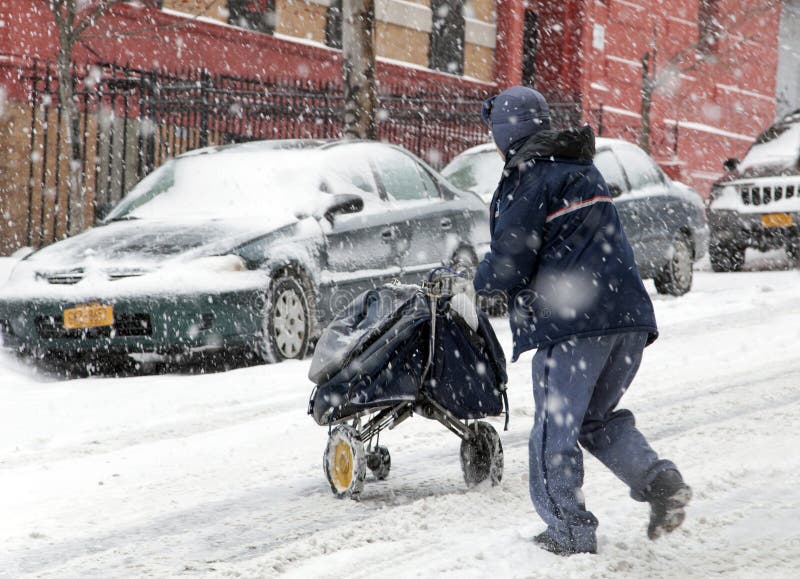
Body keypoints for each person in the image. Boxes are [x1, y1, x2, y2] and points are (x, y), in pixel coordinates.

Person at [473, 86, 691, 556]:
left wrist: (479, 280)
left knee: (556, 427)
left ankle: (568, 534)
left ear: (506, 131)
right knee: (596, 420)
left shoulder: (529, 178)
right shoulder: (581, 169)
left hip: (574, 322)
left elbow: (511, 260)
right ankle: (660, 483)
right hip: (628, 318)